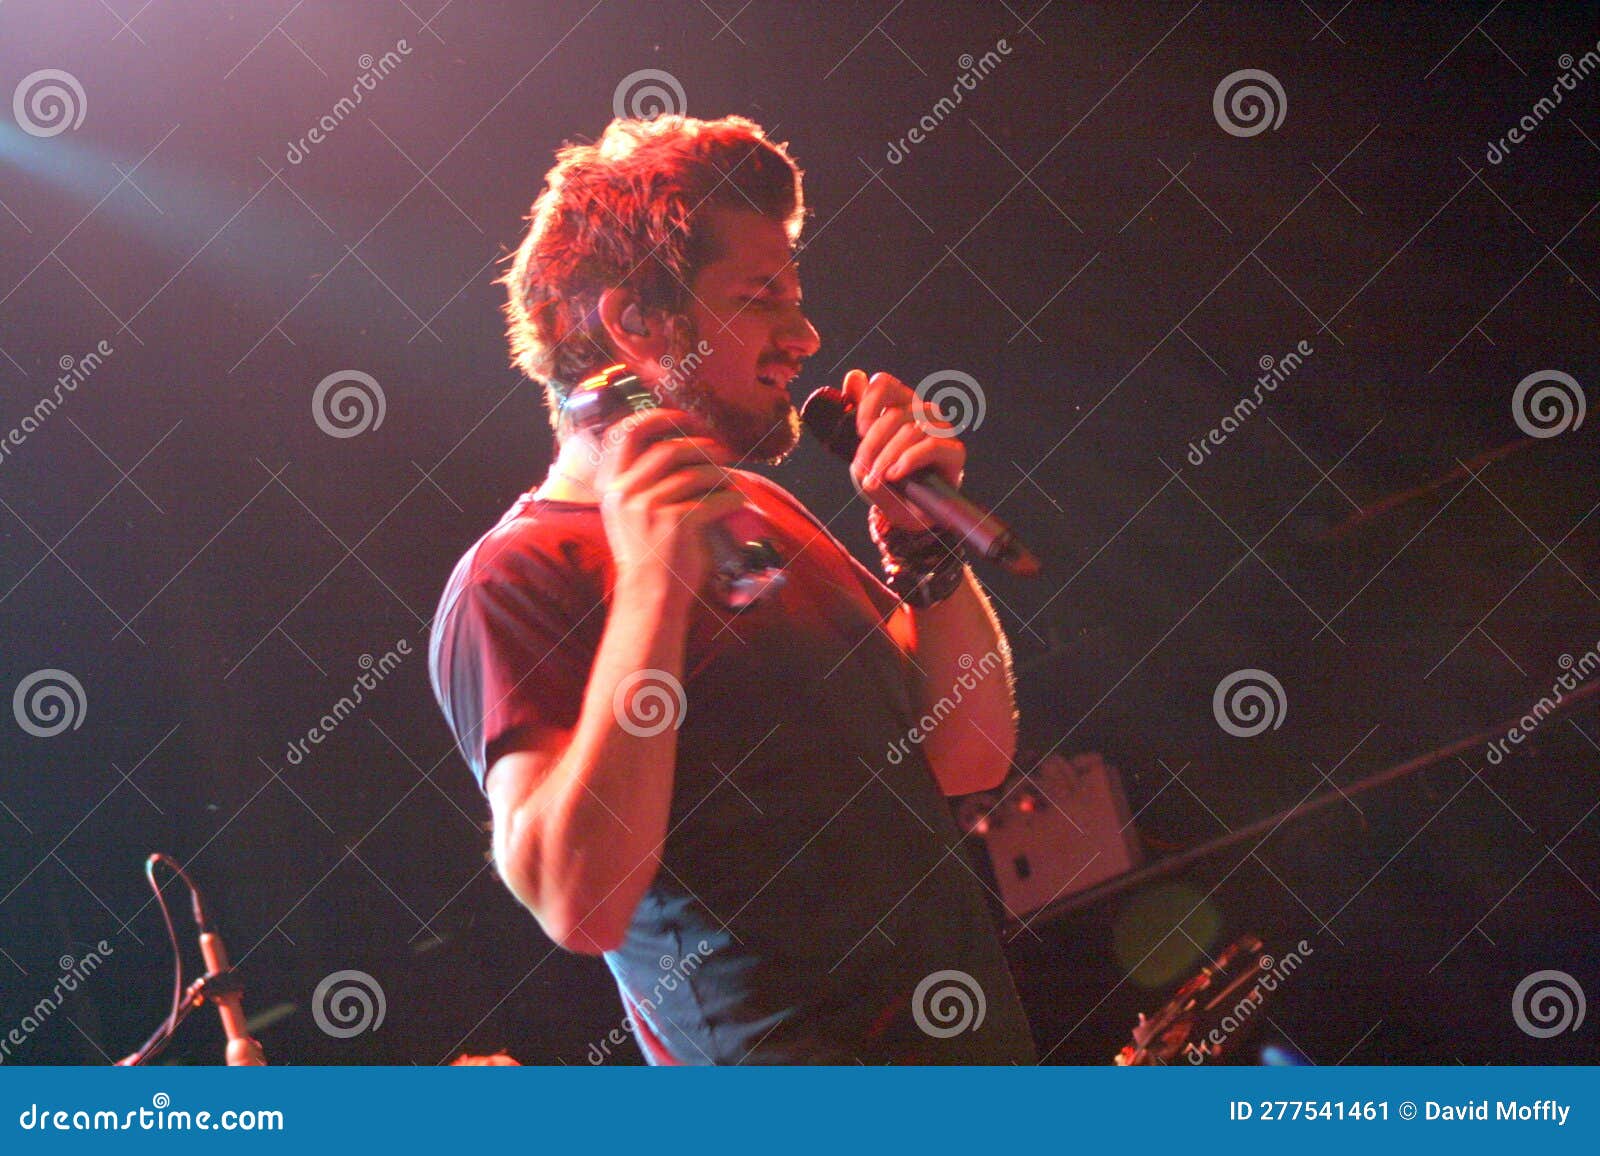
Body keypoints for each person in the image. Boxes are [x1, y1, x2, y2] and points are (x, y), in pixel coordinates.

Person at [429, 113, 1036, 1064]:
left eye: (796, 295)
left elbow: (965, 760)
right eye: (761, 297)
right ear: (634, 323)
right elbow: (573, 901)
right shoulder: (514, 578)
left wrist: (925, 556)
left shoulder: (762, 511)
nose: (805, 335)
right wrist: (649, 591)